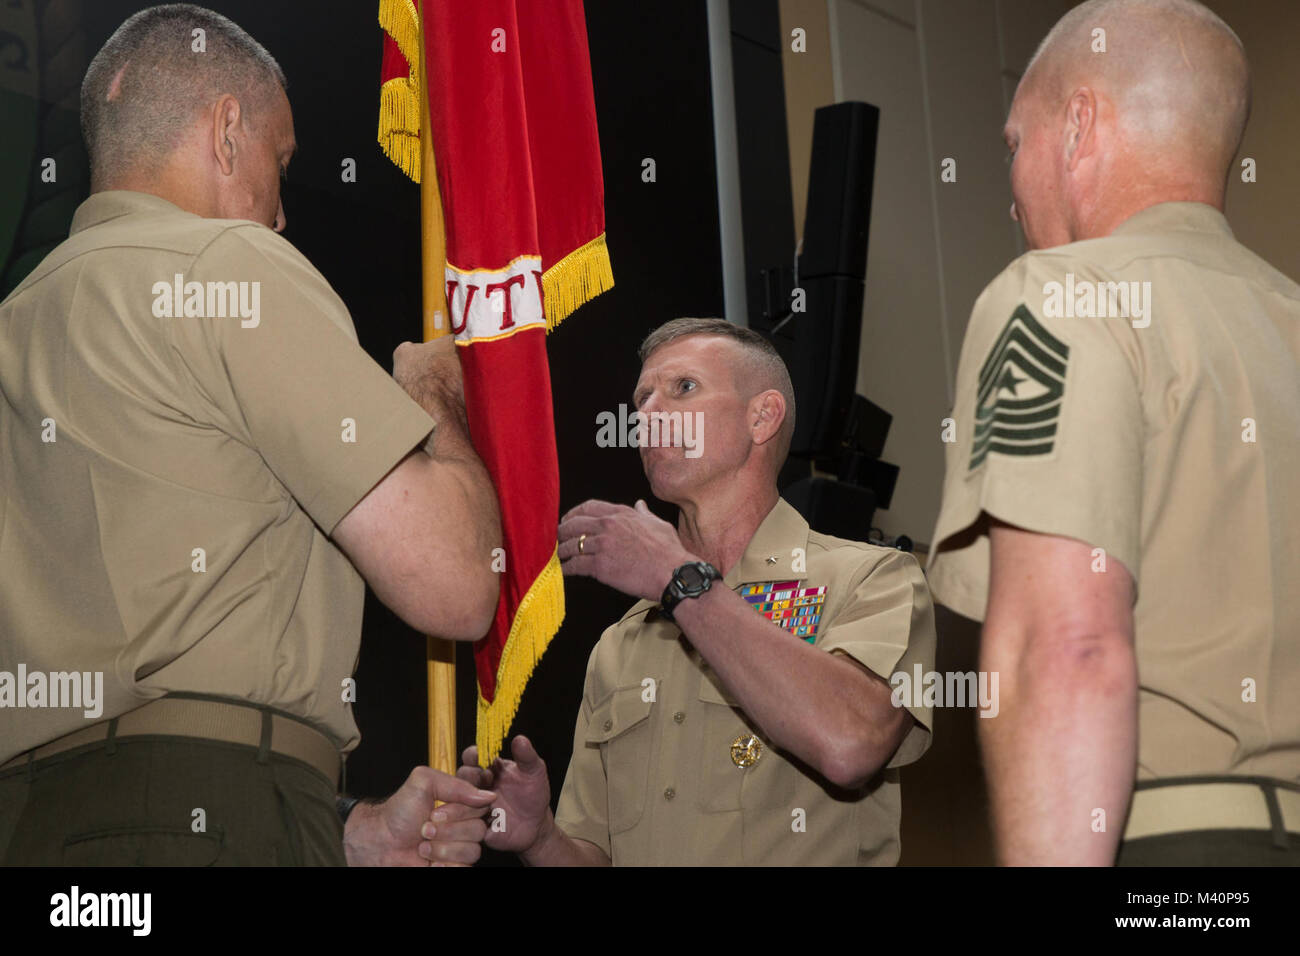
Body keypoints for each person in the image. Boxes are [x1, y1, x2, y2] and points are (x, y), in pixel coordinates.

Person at [0, 4, 498, 866]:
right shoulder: (228, 265)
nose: (278, 214)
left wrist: (344, 827)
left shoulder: (17, 321)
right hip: (210, 808)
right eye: (282, 161)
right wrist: (433, 403)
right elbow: (455, 585)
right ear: (228, 132)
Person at [926, 0, 1300, 865]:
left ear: (1079, 125)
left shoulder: (1058, 297)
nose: (1013, 194)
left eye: (1014, 145)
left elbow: (1068, 647)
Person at [456, 317, 936, 865]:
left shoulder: (873, 578)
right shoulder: (621, 645)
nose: (648, 414)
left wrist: (679, 580)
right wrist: (541, 838)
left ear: (762, 417)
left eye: (682, 388)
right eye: (641, 399)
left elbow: (851, 743)